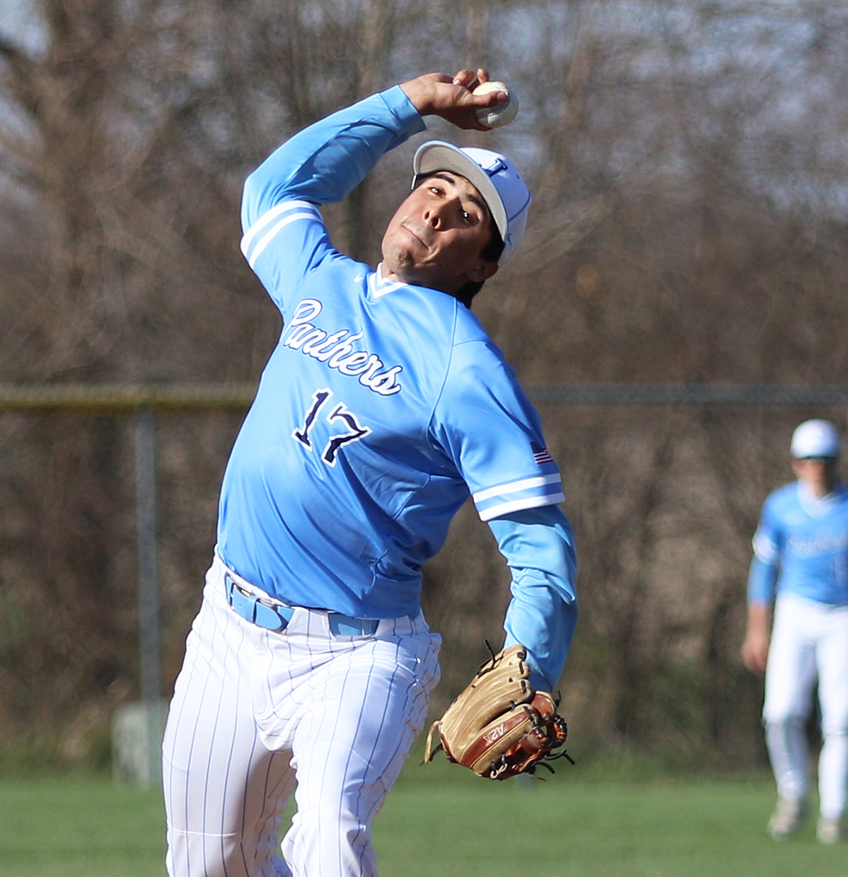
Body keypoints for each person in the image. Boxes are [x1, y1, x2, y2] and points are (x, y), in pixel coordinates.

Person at [161, 68, 578, 877]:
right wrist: (409, 104)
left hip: (357, 656)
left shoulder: (465, 367)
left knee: (328, 837)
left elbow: (542, 546)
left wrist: (535, 666)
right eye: (434, 188)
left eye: (466, 215)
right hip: (228, 627)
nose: (436, 208)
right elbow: (275, 186)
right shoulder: (321, 281)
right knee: (208, 863)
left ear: (482, 266)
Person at [741, 418, 848, 844]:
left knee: (839, 719)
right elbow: (763, 569)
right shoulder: (780, 506)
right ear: (795, 463)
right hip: (795, 612)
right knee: (779, 712)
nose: (817, 466)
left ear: (838, 462)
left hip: (846, 615)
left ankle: (834, 811)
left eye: (825, 459)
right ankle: (793, 794)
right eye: (808, 459)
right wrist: (756, 630)